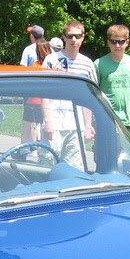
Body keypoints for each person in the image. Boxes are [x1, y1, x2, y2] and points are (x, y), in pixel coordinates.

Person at [41, 20, 98, 166]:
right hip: (54, 123)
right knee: (48, 165)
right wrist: (48, 121)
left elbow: (89, 97)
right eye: (70, 36)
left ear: (83, 37)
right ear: (64, 37)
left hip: (76, 126)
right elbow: (44, 92)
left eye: (77, 36)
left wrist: (87, 125)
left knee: (75, 168)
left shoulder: (87, 64)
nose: (74, 40)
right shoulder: (51, 60)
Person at [94, 23, 130, 129]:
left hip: (125, 120)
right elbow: (92, 92)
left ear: (127, 42)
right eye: (113, 42)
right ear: (108, 43)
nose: (117, 45)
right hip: (103, 119)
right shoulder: (99, 64)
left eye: (121, 42)